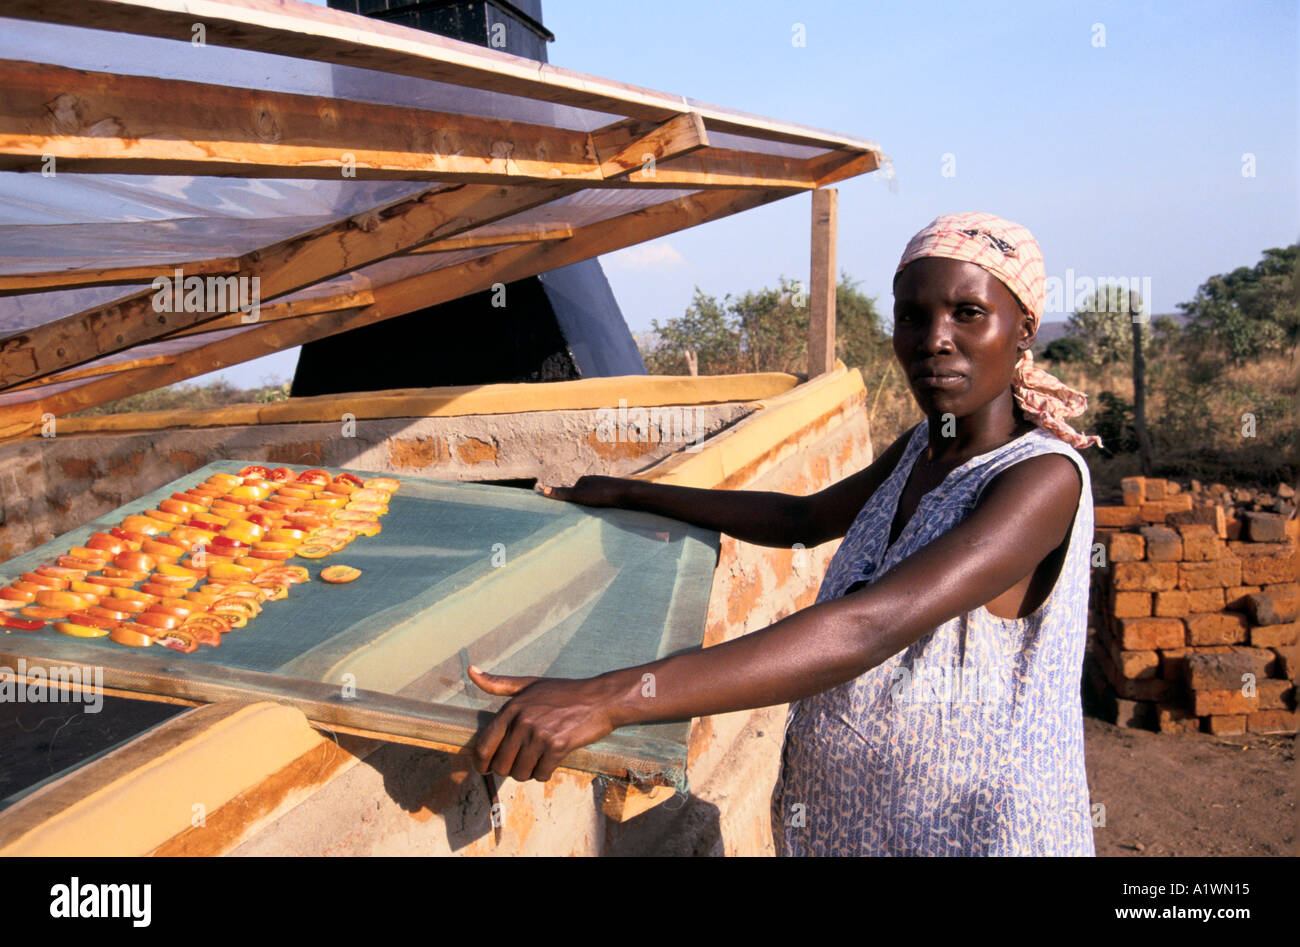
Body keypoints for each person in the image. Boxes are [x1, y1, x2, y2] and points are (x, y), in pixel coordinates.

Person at [466, 211, 1101, 856]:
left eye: (968, 313)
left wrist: (608, 699)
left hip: (972, 831)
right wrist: (633, 491)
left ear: (1023, 329)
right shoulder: (924, 446)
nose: (934, 338)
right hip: (864, 828)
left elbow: (869, 626)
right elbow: (803, 520)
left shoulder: (1041, 481)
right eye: (912, 316)